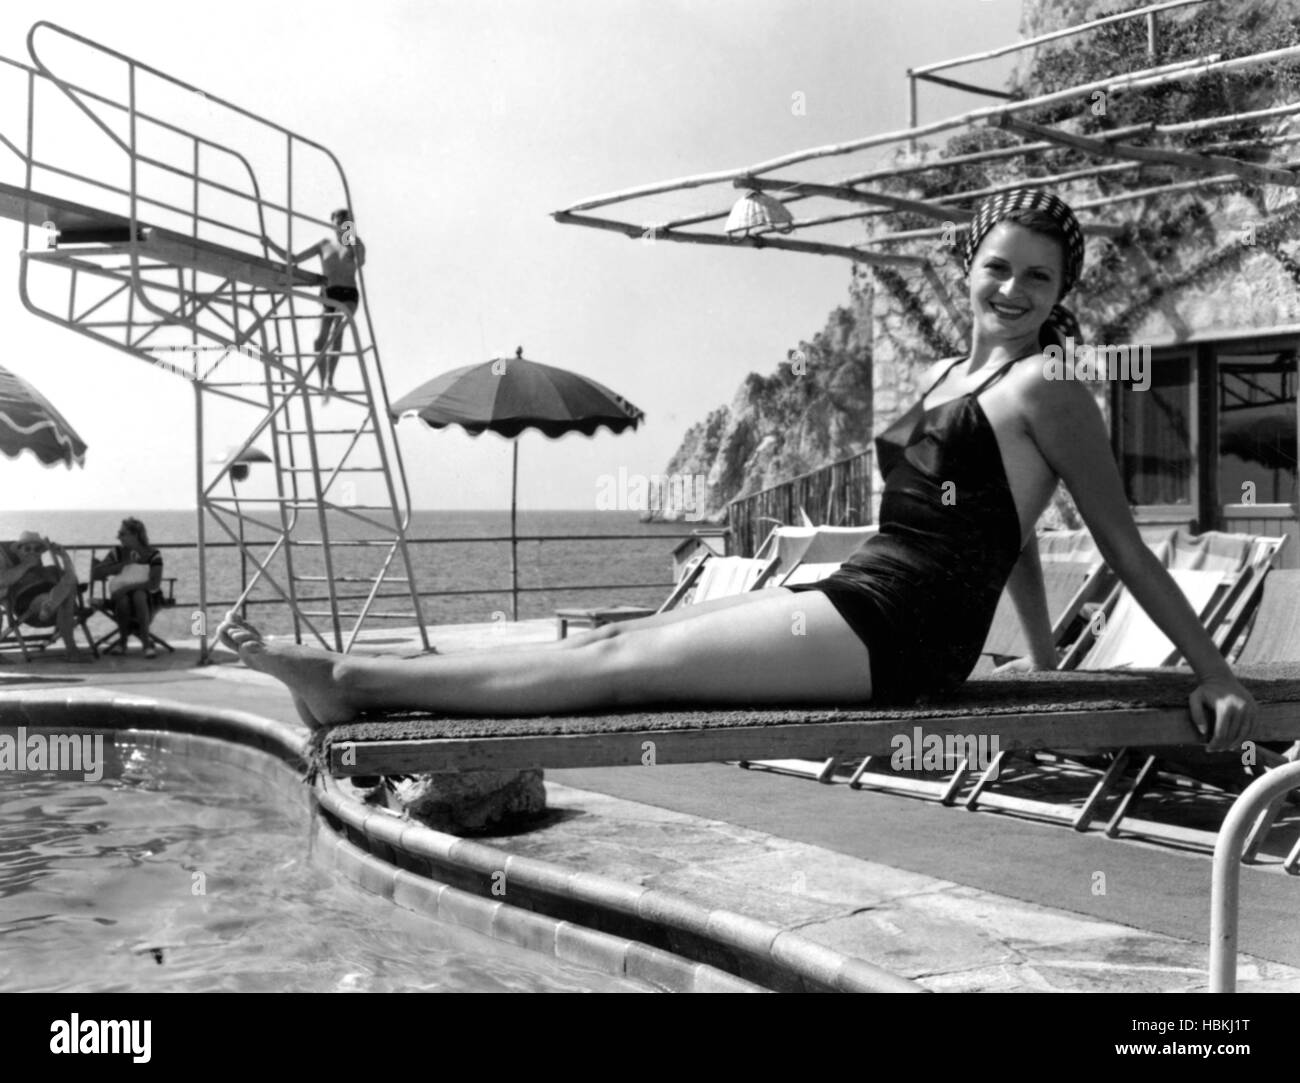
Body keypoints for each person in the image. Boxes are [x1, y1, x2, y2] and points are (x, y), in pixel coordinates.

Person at [218, 189, 1257, 753]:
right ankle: (364, 689)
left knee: (626, 674)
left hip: (905, 633)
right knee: (626, 637)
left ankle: (353, 683)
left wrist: (1209, 672)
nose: (1015, 287)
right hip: (865, 594)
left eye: (1039, 276)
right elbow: (1010, 532)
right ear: (968, 266)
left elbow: (1120, 546)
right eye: (998, 265)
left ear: (1062, 290)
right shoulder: (943, 372)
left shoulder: (1048, 392)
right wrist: (1035, 657)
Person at [264, 208, 366, 393]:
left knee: (338, 329)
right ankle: (321, 382)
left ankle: (330, 380)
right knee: (319, 340)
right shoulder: (324, 244)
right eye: (339, 224)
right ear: (332, 225)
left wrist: (350, 240)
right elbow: (293, 259)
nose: (342, 227)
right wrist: (269, 243)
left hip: (349, 293)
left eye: (346, 223)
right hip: (330, 293)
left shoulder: (355, 245)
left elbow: (360, 261)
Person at [0, 530, 89, 661]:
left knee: (67, 588)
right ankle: (72, 651)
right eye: (27, 548)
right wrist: (26, 565)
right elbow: (2, 581)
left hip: (52, 610)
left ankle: (51, 602)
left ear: (41, 553)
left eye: (36, 549)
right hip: (29, 608)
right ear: (18, 551)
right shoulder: (14, 572)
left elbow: (72, 580)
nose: (32, 552)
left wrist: (64, 557)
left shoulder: (50, 570)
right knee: (62, 599)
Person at [92, 518, 164, 658]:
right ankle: (124, 642)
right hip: (122, 597)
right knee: (124, 599)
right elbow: (97, 572)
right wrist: (124, 564)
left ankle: (143, 643)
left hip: (149, 597)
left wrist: (127, 588)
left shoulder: (153, 554)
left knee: (138, 595)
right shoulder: (117, 553)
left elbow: (154, 584)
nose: (118, 537)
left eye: (122, 533)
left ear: (135, 534)